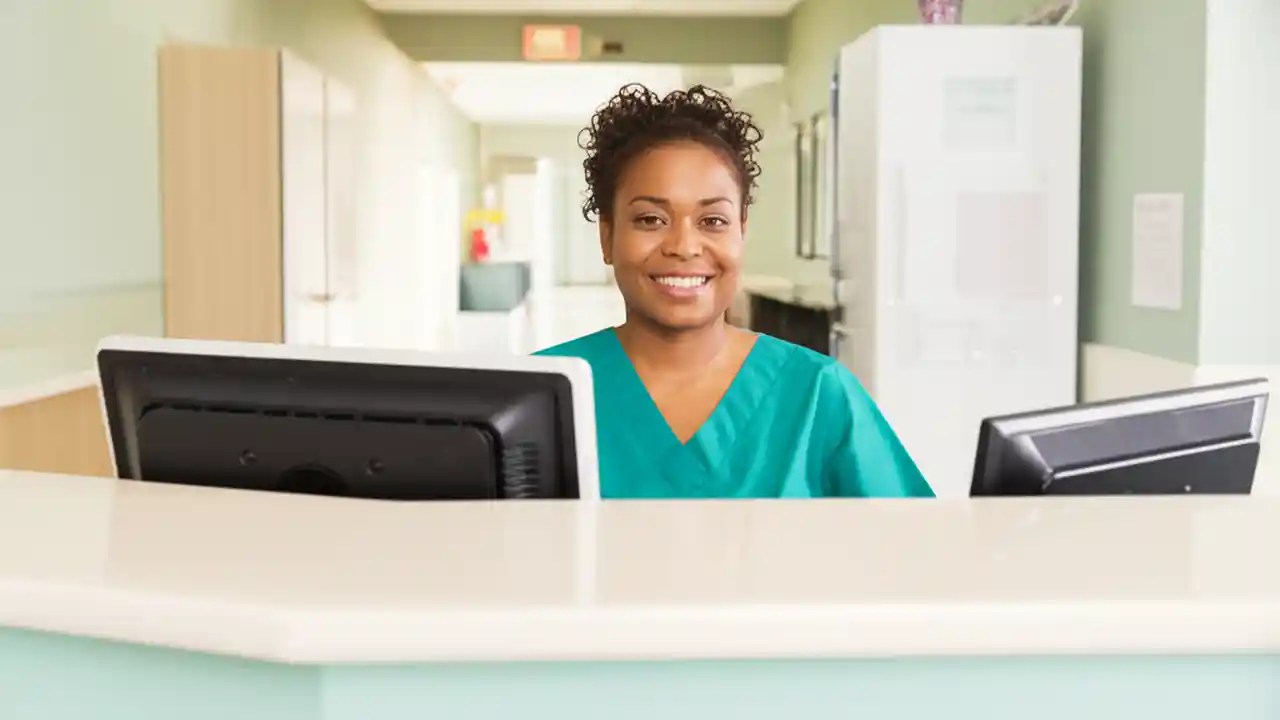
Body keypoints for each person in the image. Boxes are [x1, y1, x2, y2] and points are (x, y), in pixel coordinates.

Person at [536, 83, 933, 500]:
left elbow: (914, 534)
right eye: (651, 219)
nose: (684, 246)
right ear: (607, 236)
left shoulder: (817, 394)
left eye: (713, 221)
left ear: (741, 231)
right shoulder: (539, 393)